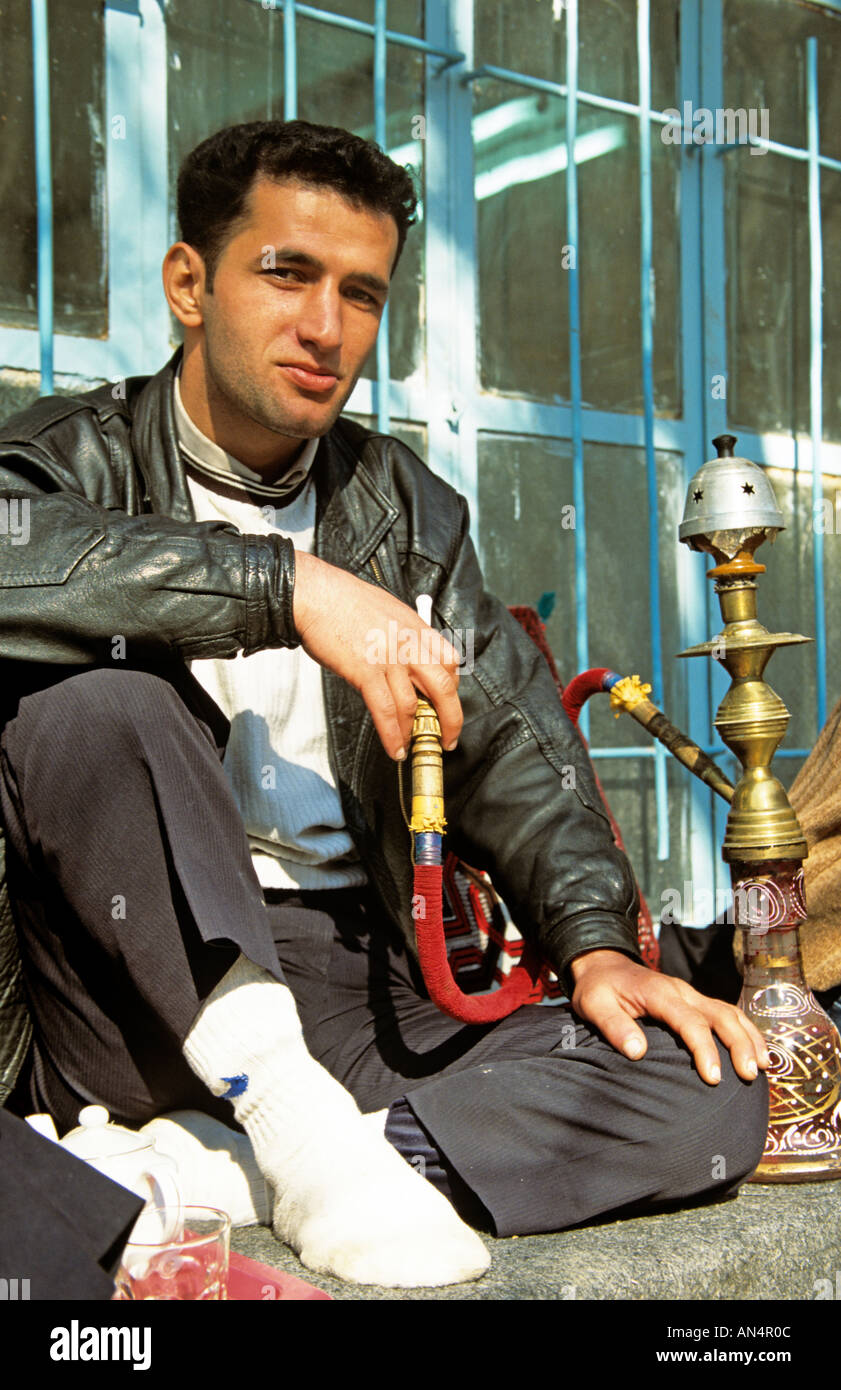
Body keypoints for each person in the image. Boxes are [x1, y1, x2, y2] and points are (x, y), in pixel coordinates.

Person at [0, 120, 769, 1289]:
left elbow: (514, 740)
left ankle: (277, 1162)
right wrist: (290, 587)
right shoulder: (64, 459)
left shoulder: (407, 508)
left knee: (704, 1084)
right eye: (286, 274)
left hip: (355, 982)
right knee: (102, 704)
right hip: (128, 986)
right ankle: (288, 1130)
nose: (326, 327)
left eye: (361, 293)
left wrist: (599, 946)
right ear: (189, 284)